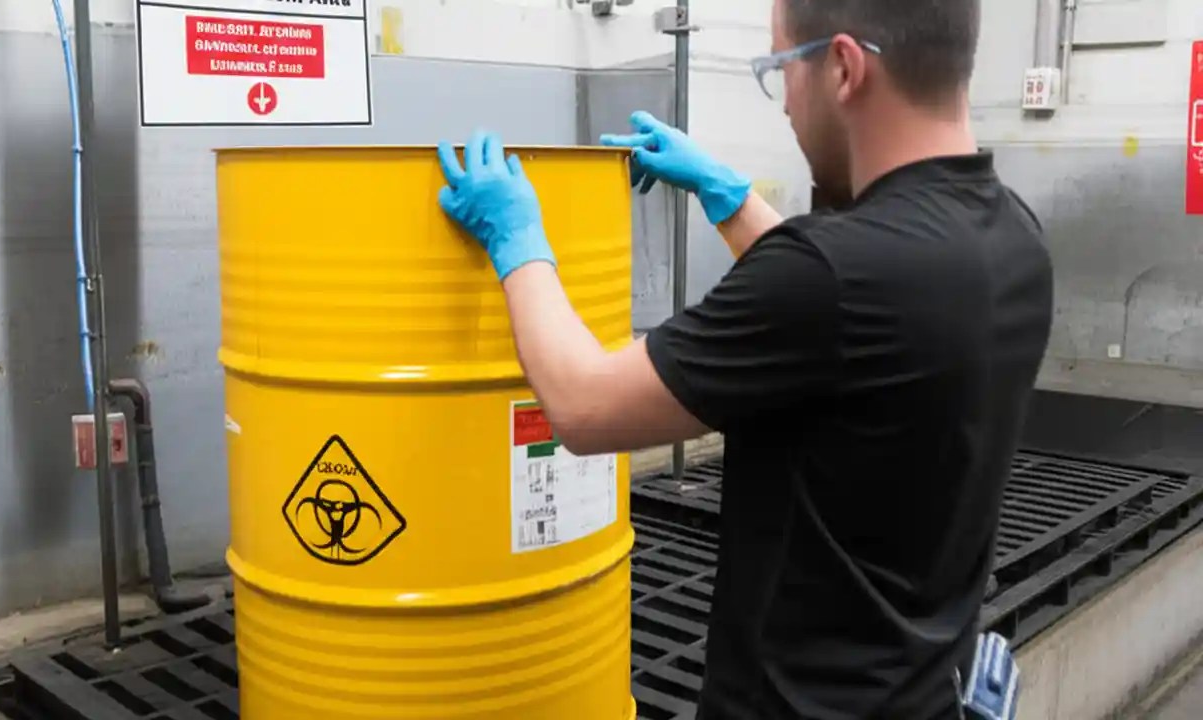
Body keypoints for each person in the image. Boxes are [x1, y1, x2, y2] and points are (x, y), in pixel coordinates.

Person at [436, 0, 1053, 716]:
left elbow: (581, 404)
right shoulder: (1014, 238)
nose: (786, 102)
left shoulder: (829, 276)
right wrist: (729, 198)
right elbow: (855, 318)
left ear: (844, 67)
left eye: (780, 67)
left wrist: (517, 238)